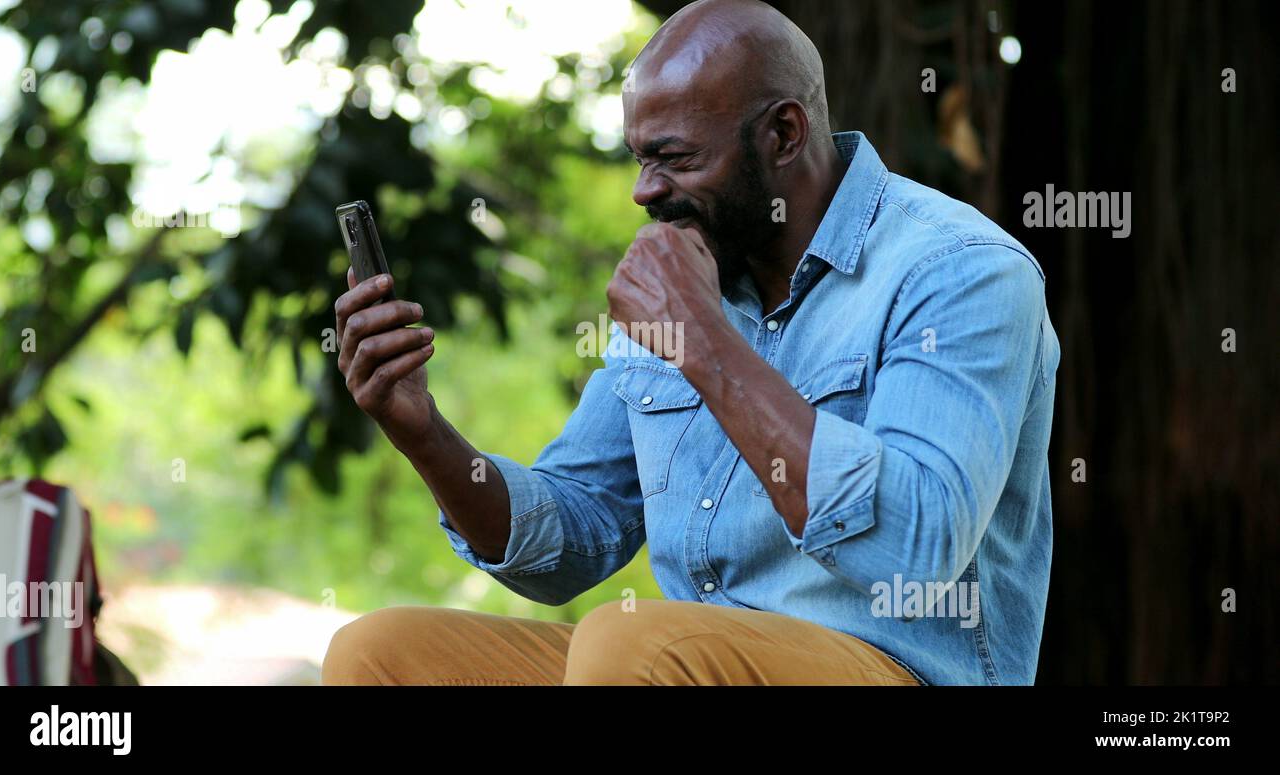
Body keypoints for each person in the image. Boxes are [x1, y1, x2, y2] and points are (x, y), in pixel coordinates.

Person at [323, 0, 1059, 685]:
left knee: (630, 644)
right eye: (640, 159)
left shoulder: (957, 272)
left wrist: (704, 340)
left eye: (674, 159)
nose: (645, 191)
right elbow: (573, 537)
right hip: (676, 661)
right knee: (381, 654)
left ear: (783, 134)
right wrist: (424, 433)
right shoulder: (696, 267)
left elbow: (917, 547)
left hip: (893, 666)